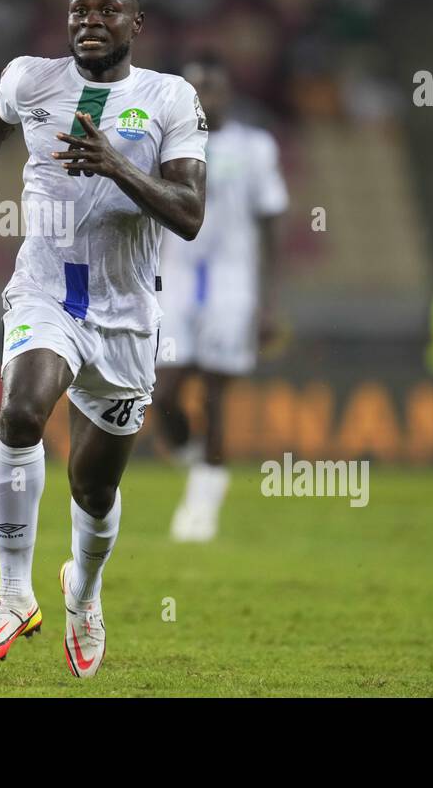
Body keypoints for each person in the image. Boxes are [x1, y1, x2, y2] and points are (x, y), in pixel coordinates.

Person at [0, 0, 207, 678]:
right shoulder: (32, 80)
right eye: (79, 9)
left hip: (128, 315)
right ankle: (13, 592)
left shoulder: (169, 97)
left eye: (108, 10)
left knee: (93, 487)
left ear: (137, 24)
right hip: (46, 291)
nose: (90, 20)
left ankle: (85, 590)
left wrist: (114, 165)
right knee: (19, 410)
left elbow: (189, 213)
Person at [152, 58, 287, 542]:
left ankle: (203, 505)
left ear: (227, 92)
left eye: (212, 86)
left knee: (214, 394)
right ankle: (195, 465)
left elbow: (270, 221)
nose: (203, 96)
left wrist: (268, 301)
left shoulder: (255, 147)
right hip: (176, 278)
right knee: (162, 393)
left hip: (233, 282)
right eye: (195, 87)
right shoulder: (166, 139)